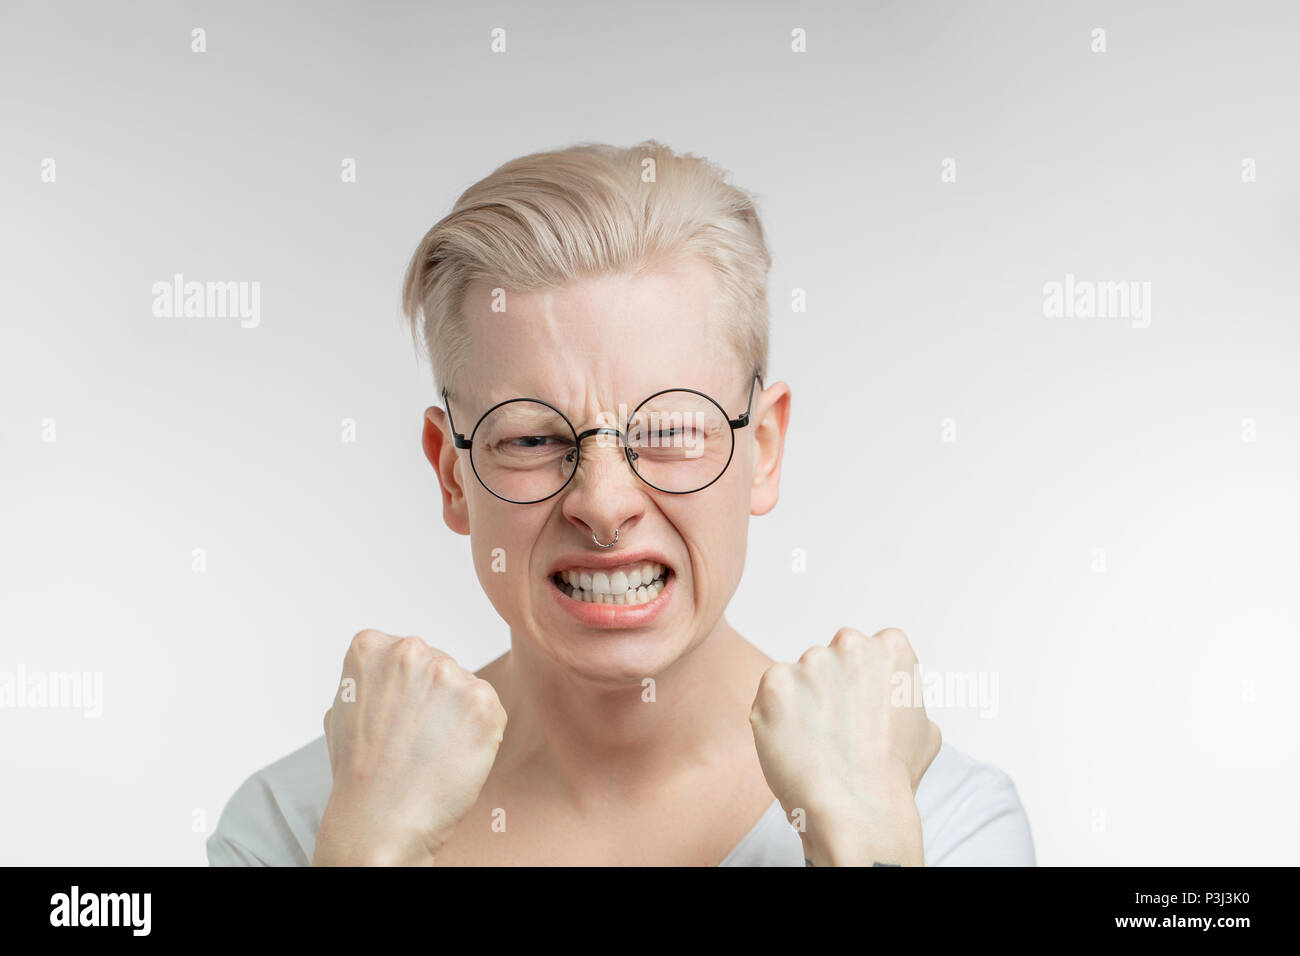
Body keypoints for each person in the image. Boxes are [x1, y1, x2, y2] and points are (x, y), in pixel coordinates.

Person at [207, 140, 1034, 866]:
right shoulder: (302, 828)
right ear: (452, 474)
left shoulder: (932, 819)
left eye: (671, 430)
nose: (603, 505)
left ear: (764, 450)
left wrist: (866, 846)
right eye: (531, 440)